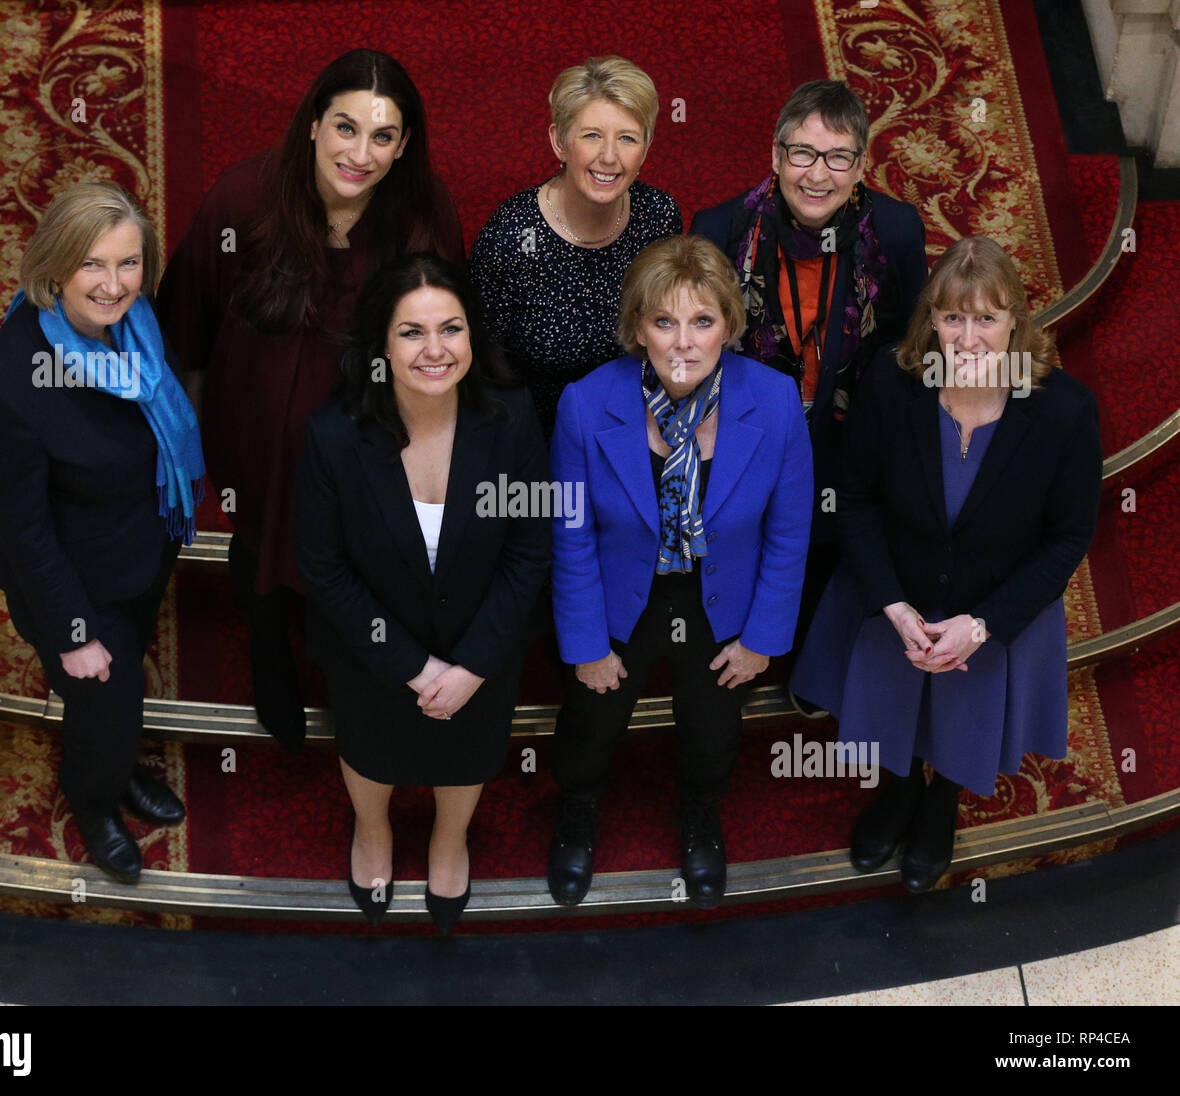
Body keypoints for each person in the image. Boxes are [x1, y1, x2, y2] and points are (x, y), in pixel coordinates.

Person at [157, 49, 465, 752]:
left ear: (404, 144)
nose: (360, 153)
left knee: (361, 557)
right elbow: (185, 327)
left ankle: (345, 657)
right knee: (261, 551)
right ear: (313, 126)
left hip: (372, 435)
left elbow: (448, 328)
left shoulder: (424, 211)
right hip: (258, 436)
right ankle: (271, 659)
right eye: (345, 128)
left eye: (382, 135)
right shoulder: (242, 200)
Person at [789, 236, 1102, 894]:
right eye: (953, 316)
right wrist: (894, 605)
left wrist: (982, 626)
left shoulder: (1064, 411)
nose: (968, 337)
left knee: (965, 709)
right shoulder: (892, 383)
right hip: (895, 591)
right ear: (930, 318)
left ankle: (941, 803)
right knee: (895, 699)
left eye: (985, 318)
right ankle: (901, 791)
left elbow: (1068, 539)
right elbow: (857, 499)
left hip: (995, 606)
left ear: (1015, 319)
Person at [547, 235, 813, 909]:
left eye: (703, 321)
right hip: (622, 591)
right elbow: (570, 534)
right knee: (591, 723)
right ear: (638, 327)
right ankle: (577, 808)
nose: (684, 342)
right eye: (664, 321)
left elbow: (788, 531)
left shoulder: (776, 401)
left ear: (729, 323)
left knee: (712, 724)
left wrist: (761, 639)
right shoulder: (584, 404)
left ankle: (700, 813)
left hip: (720, 592)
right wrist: (585, 644)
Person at [293, 254, 551, 933]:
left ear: (473, 335)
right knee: (373, 749)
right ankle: (373, 832)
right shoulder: (334, 436)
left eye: (451, 329)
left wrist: (470, 667)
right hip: (372, 650)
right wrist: (411, 666)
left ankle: (448, 840)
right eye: (411, 333)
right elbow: (322, 569)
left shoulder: (513, 420)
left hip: (481, 645)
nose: (435, 350)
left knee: (467, 751)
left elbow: (531, 552)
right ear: (380, 342)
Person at [0, 182, 206, 884]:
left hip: (139, 549)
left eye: (128, 264)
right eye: (92, 266)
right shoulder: (13, 384)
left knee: (120, 695)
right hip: (73, 586)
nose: (113, 286)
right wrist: (74, 633)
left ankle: (120, 763)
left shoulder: (136, 325)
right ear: (53, 269)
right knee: (102, 701)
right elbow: (25, 530)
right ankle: (95, 797)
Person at [690, 80, 927, 696]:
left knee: (829, 543)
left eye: (838, 156)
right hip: (749, 428)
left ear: (861, 164)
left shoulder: (897, 231)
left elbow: (908, 339)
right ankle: (742, 638)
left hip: (849, 428)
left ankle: (810, 665)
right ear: (775, 155)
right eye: (802, 153)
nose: (818, 173)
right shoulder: (718, 230)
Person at [469, 55, 682, 437]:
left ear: (646, 148)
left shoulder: (659, 218)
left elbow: (671, 339)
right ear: (559, 141)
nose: (609, 157)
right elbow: (485, 373)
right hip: (538, 439)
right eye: (591, 135)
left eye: (628, 138)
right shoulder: (512, 236)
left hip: (638, 432)